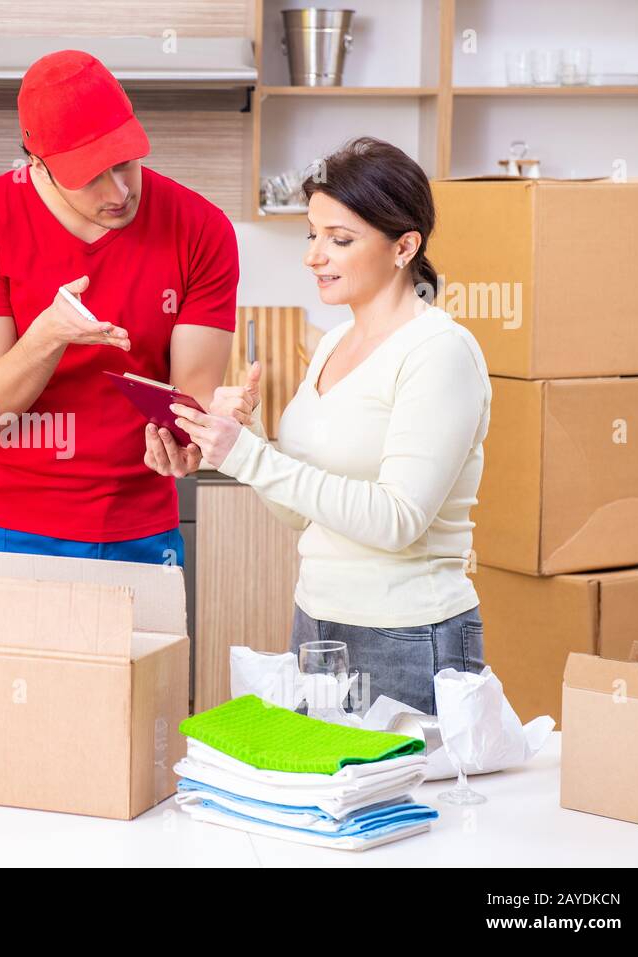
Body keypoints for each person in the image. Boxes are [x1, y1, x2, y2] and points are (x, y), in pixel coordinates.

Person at [171, 137, 491, 715]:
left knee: (405, 805)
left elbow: (399, 521)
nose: (313, 256)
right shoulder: (336, 343)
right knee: (324, 802)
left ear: (404, 247)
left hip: (409, 634)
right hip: (317, 622)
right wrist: (255, 436)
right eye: (312, 234)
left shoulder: (440, 352)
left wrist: (249, 457)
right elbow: (302, 514)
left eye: (339, 240)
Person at [0, 50, 237, 567]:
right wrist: (47, 336)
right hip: (6, 527)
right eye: (90, 175)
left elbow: (189, 401)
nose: (119, 191)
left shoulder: (201, 228)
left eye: (124, 162)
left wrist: (194, 439)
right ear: (37, 166)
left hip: (141, 528)